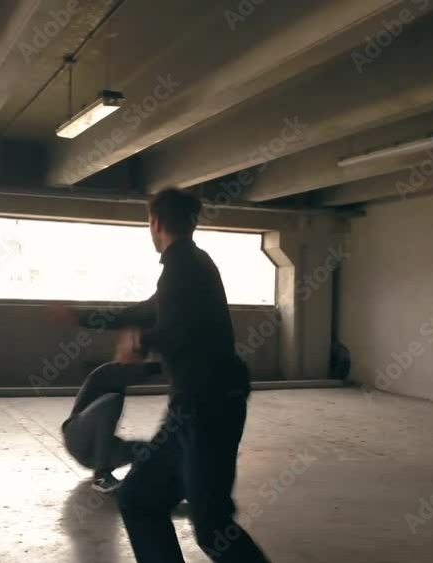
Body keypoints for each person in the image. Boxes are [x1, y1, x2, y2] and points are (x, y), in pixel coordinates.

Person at [52, 188, 270, 562]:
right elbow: (149, 311)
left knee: (212, 525)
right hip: (189, 409)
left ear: (155, 223)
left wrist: (141, 341)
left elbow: (177, 329)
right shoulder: (187, 266)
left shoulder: (184, 268)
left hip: (210, 409)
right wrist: (86, 316)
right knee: (138, 499)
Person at [61, 351, 161, 493]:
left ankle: (154, 482)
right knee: (111, 400)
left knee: (151, 449)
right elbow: (139, 372)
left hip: (96, 454)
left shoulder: (123, 376)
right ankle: (101, 474)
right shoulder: (107, 371)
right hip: (77, 437)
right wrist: (169, 365)